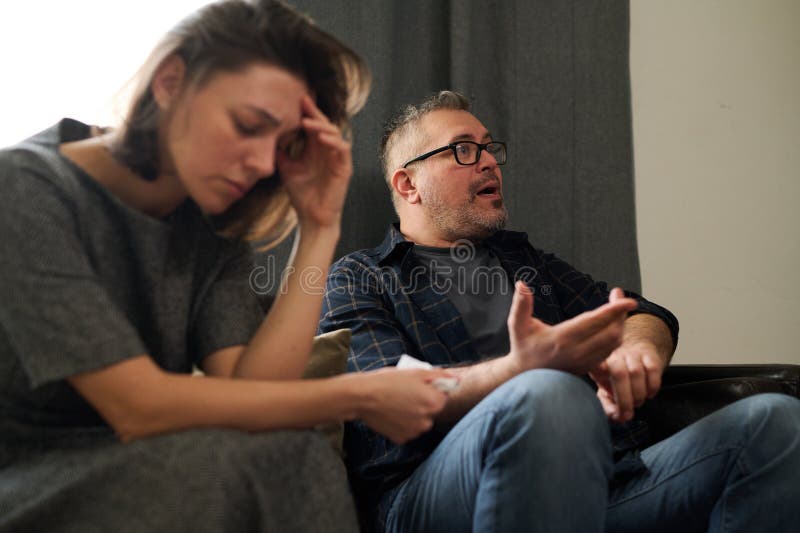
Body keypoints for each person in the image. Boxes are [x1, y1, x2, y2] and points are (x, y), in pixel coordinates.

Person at [0, 2, 455, 531]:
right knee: (224, 468)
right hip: (31, 475)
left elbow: (256, 386)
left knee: (295, 451)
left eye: (281, 146)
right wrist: (358, 394)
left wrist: (320, 227)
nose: (263, 164)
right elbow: (138, 406)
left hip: (153, 461)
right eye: (247, 125)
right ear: (170, 81)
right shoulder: (25, 189)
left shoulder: (207, 221)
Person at [319, 90, 800, 532]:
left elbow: (640, 311)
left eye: (490, 148)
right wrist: (520, 369)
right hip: (435, 494)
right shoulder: (360, 277)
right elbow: (384, 401)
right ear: (408, 184)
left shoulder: (525, 262)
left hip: (605, 481)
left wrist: (636, 353)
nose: (489, 162)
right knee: (547, 392)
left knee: (774, 422)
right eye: (464, 149)